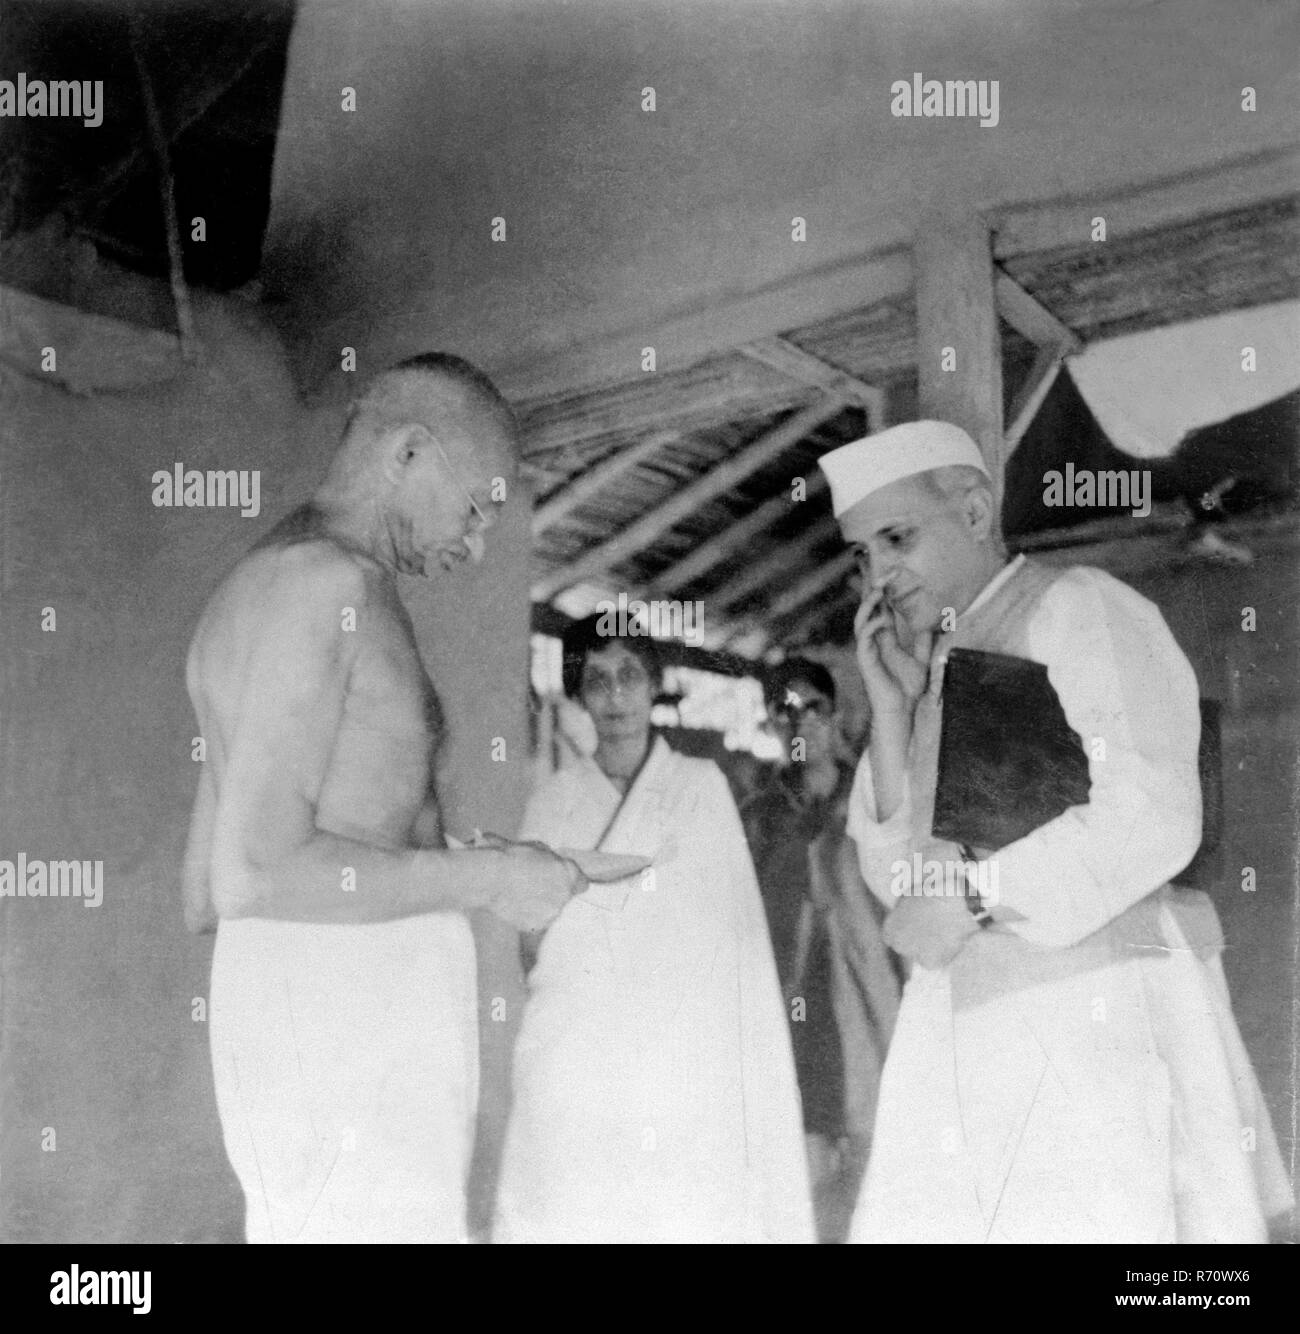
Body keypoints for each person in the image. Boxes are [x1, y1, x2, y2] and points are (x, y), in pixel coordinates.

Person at [819, 419, 1292, 1244]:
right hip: (967, 1022)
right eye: (862, 553)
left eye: (897, 537)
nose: (879, 572)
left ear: (972, 511)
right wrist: (893, 712)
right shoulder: (930, 663)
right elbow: (902, 890)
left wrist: (970, 895)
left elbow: (1150, 812)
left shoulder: (1079, 608)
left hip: (1093, 1008)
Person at [182, 353, 588, 1243]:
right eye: (478, 504)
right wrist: (485, 878)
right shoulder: (327, 586)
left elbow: (203, 892)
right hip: (344, 1027)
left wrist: (428, 861)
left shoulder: (252, 588)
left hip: (312, 1016)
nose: (478, 541)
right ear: (408, 453)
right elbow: (254, 875)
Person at [493, 616, 814, 1243]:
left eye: (629, 677)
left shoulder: (699, 787)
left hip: (674, 1046)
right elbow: (528, 932)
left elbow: (726, 931)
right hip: (578, 1042)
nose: (615, 696)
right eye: (597, 680)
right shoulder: (555, 798)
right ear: (579, 694)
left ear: (654, 686)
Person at [741, 658, 901, 1242]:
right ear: (770, 726)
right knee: (799, 1193)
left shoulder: (879, 803)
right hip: (791, 1021)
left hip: (873, 1017)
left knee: (879, 1184)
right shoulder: (757, 819)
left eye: (813, 707)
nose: (799, 722)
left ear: (835, 717)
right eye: (784, 711)